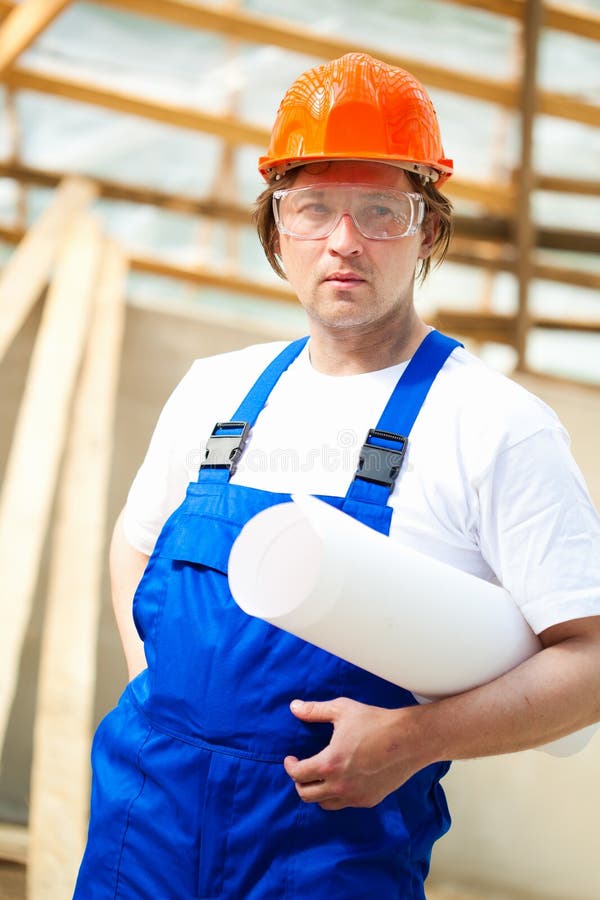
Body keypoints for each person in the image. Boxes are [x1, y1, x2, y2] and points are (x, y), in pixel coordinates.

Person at [74, 53, 600, 899]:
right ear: (276, 228)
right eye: (314, 207)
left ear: (428, 231)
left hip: (324, 857)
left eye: (382, 211)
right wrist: (153, 682)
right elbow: (133, 545)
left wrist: (416, 740)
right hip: (145, 827)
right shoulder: (215, 390)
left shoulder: (495, 426)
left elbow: (590, 659)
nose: (344, 240)